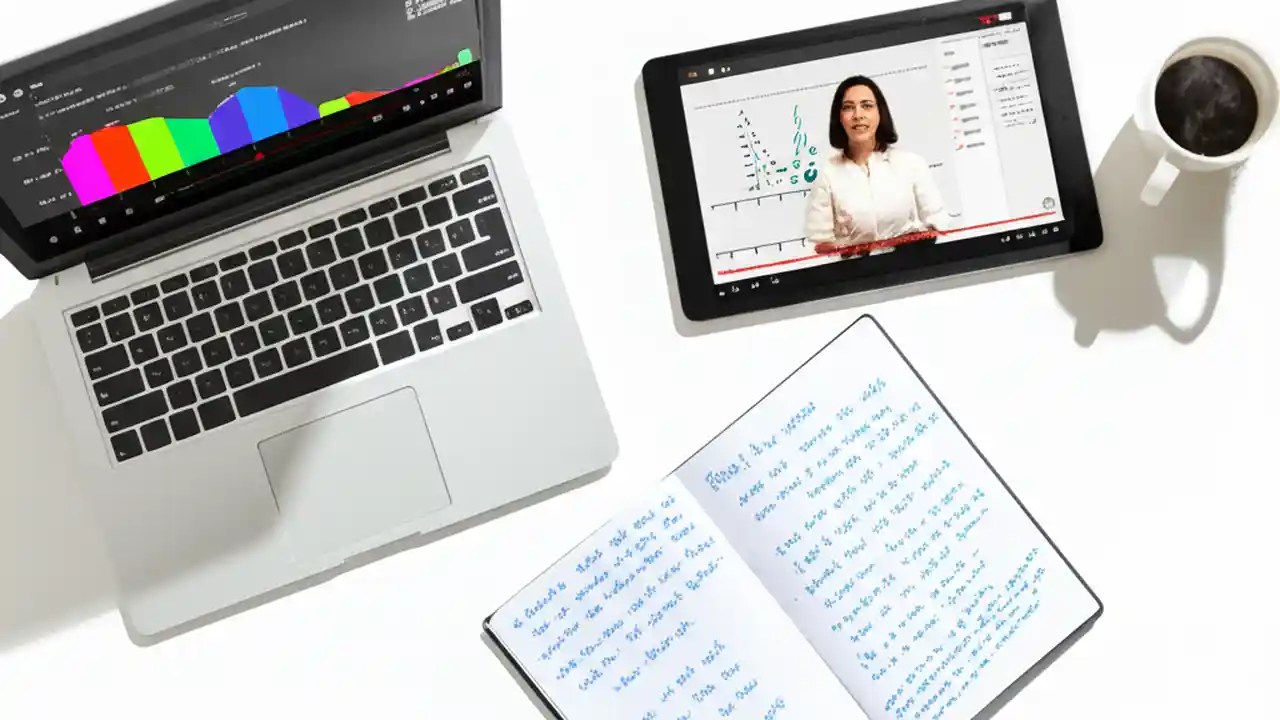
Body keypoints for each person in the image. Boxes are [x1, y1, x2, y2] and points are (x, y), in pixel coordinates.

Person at [805, 76, 948, 258]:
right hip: (854, 270)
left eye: (866, 105)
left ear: (880, 112)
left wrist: (914, 243)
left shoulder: (911, 163)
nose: (858, 115)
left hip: (910, 263)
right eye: (848, 107)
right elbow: (819, 244)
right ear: (838, 117)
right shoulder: (827, 175)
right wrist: (847, 249)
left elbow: (939, 222)